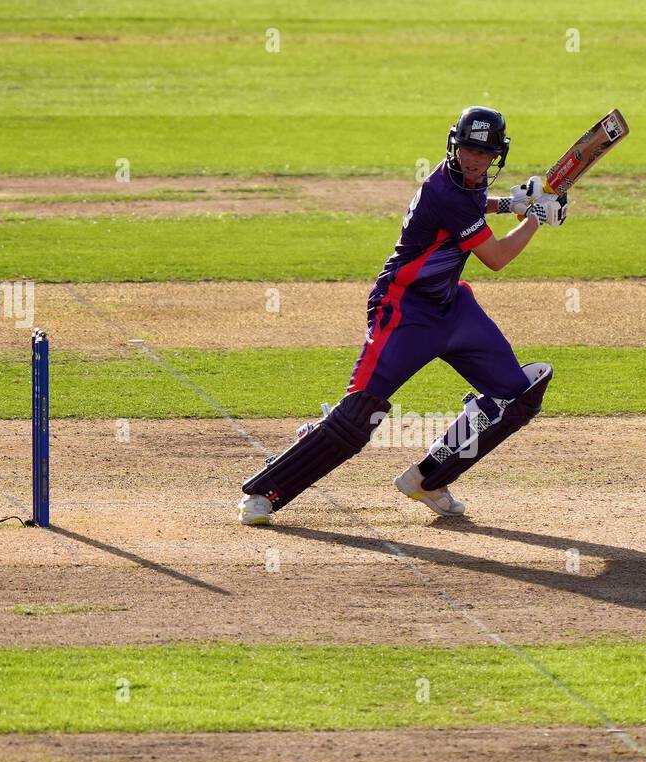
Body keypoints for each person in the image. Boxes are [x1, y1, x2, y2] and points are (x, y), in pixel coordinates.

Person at [238, 105, 568, 526]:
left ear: (495, 156)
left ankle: (431, 478)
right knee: (360, 415)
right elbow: (497, 258)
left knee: (519, 394)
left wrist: (511, 204)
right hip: (404, 310)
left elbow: (471, 207)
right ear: (454, 145)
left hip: (452, 308)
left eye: (483, 154)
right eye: (467, 149)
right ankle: (263, 492)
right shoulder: (446, 190)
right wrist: (536, 219)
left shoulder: (467, 181)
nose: (474, 159)